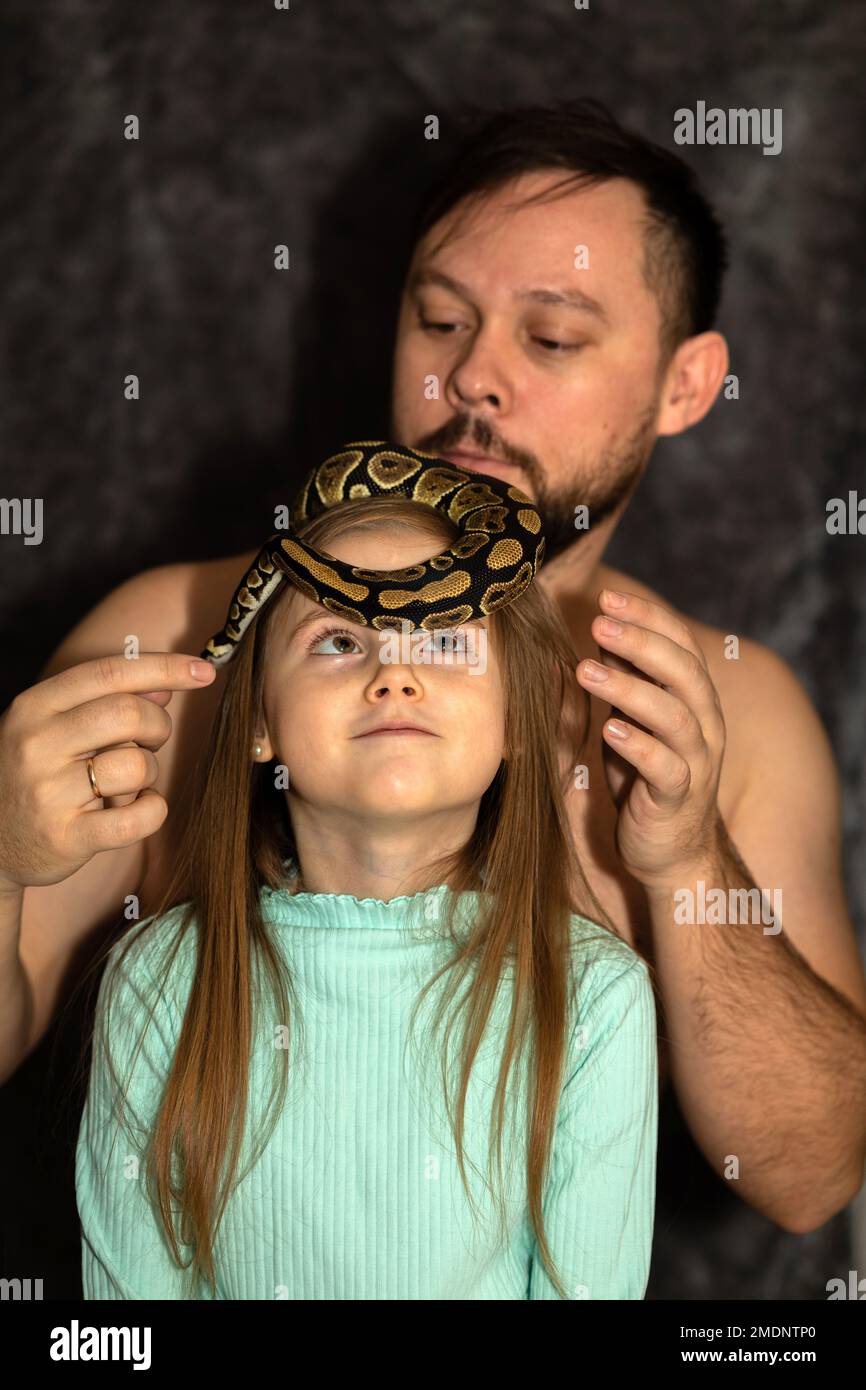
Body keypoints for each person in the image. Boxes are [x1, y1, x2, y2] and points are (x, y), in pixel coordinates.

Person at [2, 100, 864, 1242]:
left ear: (685, 383)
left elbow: (809, 1176)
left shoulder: (731, 715)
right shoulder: (180, 641)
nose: (471, 379)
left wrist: (688, 858)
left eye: (549, 338)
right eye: (439, 320)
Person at [74, 462, 658, 1299]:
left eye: (447, 640)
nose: (395, 673)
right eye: (340, 640)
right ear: (260, 724)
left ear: (518, 725)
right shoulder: (159, 980)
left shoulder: (598, 1000)